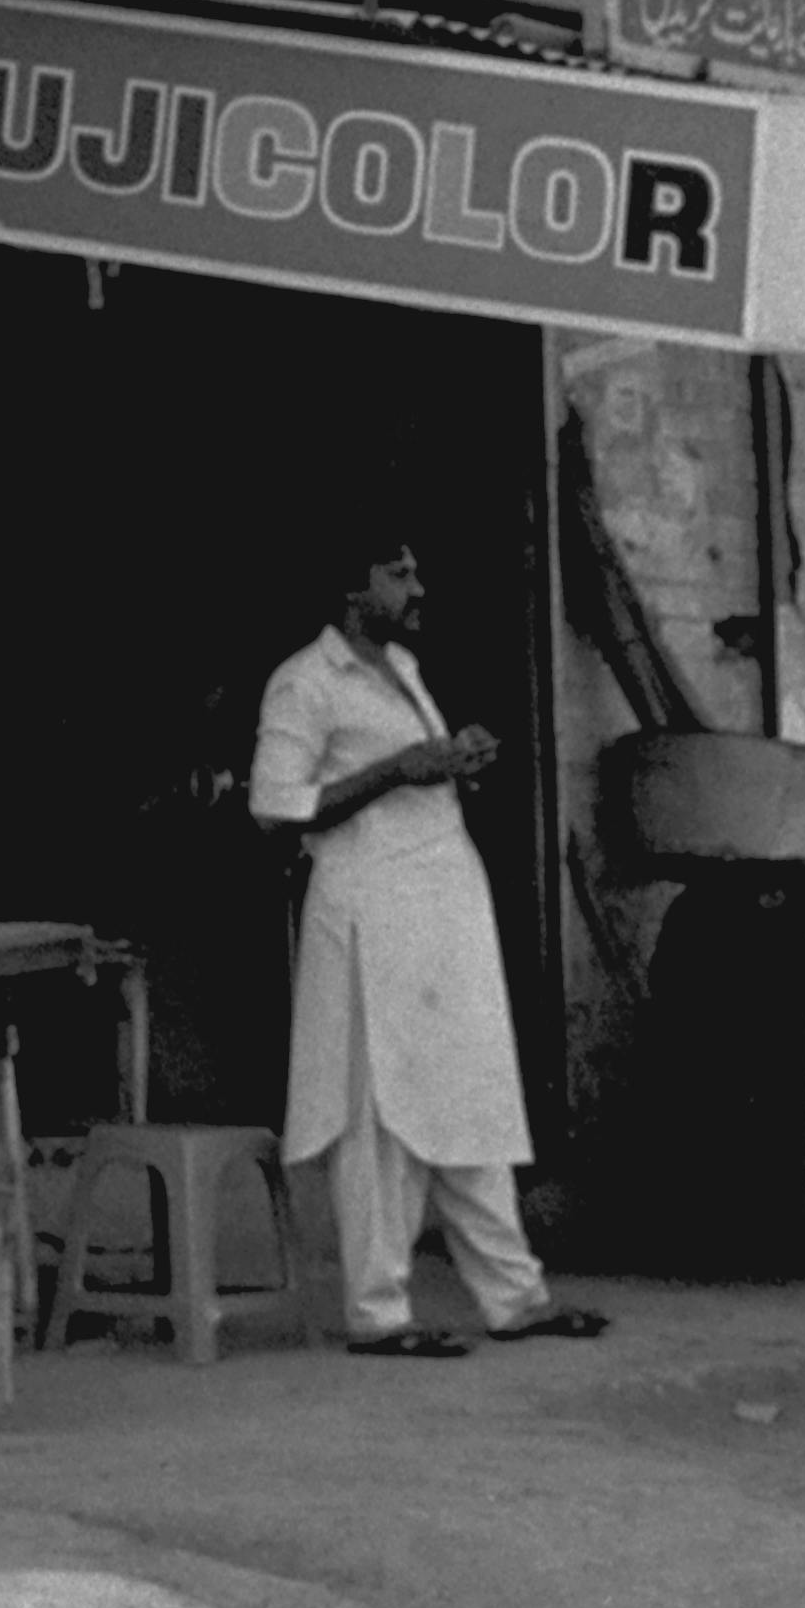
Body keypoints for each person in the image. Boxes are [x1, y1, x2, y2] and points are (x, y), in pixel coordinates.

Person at [248, 532, 600, 1359]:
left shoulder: (401, 669)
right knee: (383, 1116)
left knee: (467, 1098)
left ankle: (515, 1296)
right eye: (398, 572)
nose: (418, 586)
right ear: (350, 584)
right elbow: (274, 807)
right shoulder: (305, 682)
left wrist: (448, 763)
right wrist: (399, 769)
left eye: (416, 570)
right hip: (371, 913)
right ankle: (379, 1312)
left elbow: (408, 774)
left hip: (442, 909)